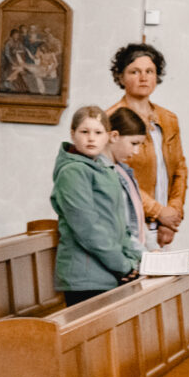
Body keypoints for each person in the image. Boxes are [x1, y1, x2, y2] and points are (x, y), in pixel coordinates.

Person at [49, 105, 141, 306]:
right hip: (85, 279)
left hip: (110, 272)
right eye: (84, 132)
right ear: (73, 134)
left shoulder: (106, 170)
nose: (91, 139)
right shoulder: (72, 172)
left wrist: (133, 259)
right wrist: (123, 265)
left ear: (108, 136)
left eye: (98, 133)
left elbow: (119, 223)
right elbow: (87, 228)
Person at [108, 43, 188, 247]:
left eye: (149, 71)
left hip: (165, 226)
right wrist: (158, 212)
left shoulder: (169, 118)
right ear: (121, 77)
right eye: (134, 72)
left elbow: (179, 169)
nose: (143, 78)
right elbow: (114, 175)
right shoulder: (111, 118)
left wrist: (171, 216)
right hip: (129, 224)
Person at [104, 107, 148, 252]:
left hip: (135, 253)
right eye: (134, 143)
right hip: (122, 254)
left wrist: (153, 248)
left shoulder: (124, 171)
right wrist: (143, 254)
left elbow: (138, 218)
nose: (136, 151)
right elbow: (117, 228)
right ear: (114, 136)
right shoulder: (102, 173)